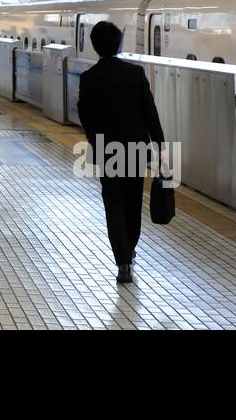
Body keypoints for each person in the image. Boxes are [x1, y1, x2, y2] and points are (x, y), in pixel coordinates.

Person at [76, 20, 165, 285]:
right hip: (136, 147)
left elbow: (84, 114)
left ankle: (123, 261)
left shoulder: (89, 78)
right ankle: (130, 249)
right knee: (133, 202)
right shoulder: (135, 74)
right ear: (118, 44)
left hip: (107, 150)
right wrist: (160, 145)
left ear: (94, 46)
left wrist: (94, 139)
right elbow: (150, 112)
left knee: (113, 203)